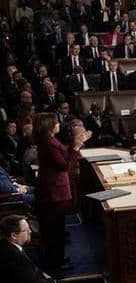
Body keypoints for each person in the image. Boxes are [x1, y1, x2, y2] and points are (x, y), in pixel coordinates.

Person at [35, 113, 89, 270]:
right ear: (49, 126)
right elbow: (65, 165)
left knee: (55, 228)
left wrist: (75, 144)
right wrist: (77, 146)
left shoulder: (50, 141)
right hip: (53, 192)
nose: (58, 124)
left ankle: (56, 258)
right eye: (56, 122)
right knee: (55, 229)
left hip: (53, 190)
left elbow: (64, 154)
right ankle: (56, 262)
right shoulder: (49, 144)